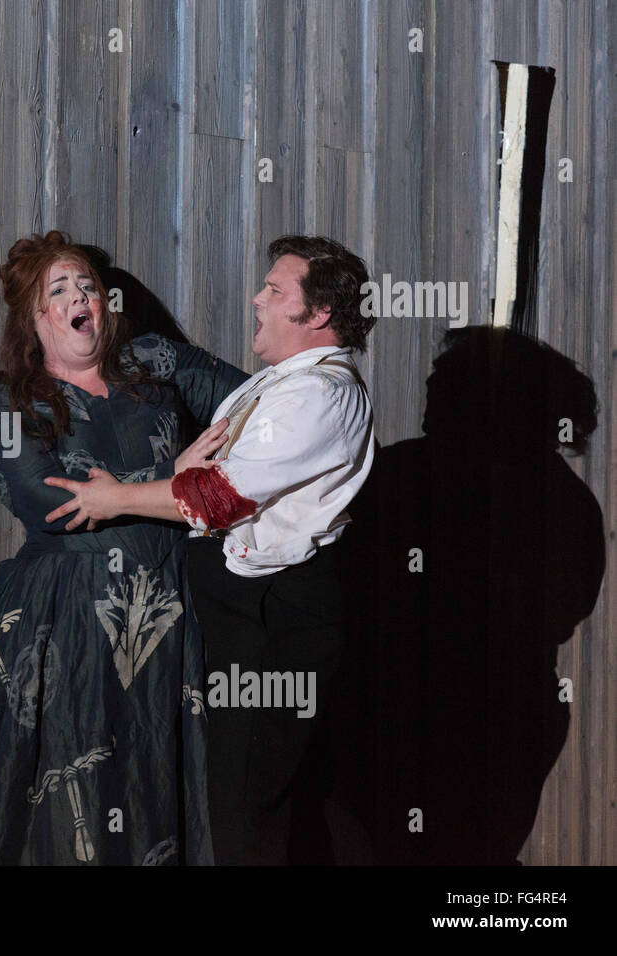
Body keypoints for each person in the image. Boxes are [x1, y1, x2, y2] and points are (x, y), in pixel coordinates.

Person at [0, 231, 247, 865]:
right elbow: (48, 502)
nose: (80, 296)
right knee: (68, 788)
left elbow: (262, 408)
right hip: (63, 621)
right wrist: (173, 479)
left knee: (156, 778)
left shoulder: (155, 361)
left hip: (169, 610)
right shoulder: (4, 398)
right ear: (34, 320)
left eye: (88, 285)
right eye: (59, 290)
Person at [44, 235, 376, 864]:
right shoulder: (282, 382)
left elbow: (219, 498)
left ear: (318, 312)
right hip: (245, 609)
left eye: (274, 290)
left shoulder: (318, 393)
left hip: (274, 613)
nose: (257, 298)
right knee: (263, 790)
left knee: (246, 802)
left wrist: (117, 498)